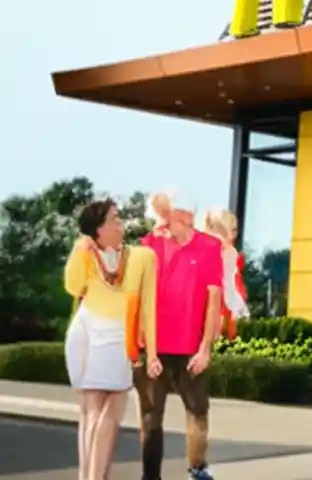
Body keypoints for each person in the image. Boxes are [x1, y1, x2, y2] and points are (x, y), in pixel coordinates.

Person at [63, 199, 160, 480]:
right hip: (88, 332)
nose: (121, 225)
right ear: (98, 230)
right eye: (114, 220)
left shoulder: (142, 257)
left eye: (119, 218)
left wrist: (152, 353)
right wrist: (79, 251)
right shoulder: (86, 254)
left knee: (100, 412)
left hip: (116, 335)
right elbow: (73, 286)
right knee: (97, 412)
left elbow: (149, 306)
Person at [136, 191, 224, 480]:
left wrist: (205, 349)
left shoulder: (209, 247)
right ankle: (150, 476)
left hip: (191, 348)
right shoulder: (149, 245)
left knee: (197, 411)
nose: (160, 222)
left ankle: (197, 469)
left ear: (185, 217)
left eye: (166, 215)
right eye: (159, 215)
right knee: (150, 415)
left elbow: (213, 300)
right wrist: (147, 350)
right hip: (154, 347)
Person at [200, 208, 250, 339]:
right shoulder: (203, 255)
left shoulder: (232, 255)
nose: (233, 235)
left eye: (235, 230)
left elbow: (233, 288)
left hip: (227, 312)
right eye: (230, 230)